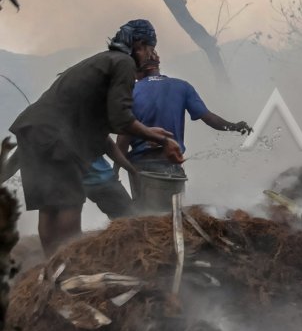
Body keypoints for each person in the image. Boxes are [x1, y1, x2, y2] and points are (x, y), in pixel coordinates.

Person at [8, 20, 182, 253]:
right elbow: (121, 119)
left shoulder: (100, 63)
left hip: (34, 130)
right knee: (69, 202)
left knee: (49, 206)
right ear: (139, 45)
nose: (151, 56)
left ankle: (53, 264)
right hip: (58, 136)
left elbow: (102, 136)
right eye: (150, 50)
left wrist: (130, 168)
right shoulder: (124, 63)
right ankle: (70, 263)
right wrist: (161, 138)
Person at [120, 55, 251, 186]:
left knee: (144, 206)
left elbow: (124, 136)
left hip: (142, 167)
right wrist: (235, 126)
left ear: (139, 69)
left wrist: (115, 170)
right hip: (172, 163)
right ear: (157, 66)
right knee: (176, 205)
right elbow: (209, 118)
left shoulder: (130, 91)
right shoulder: (182, 87)